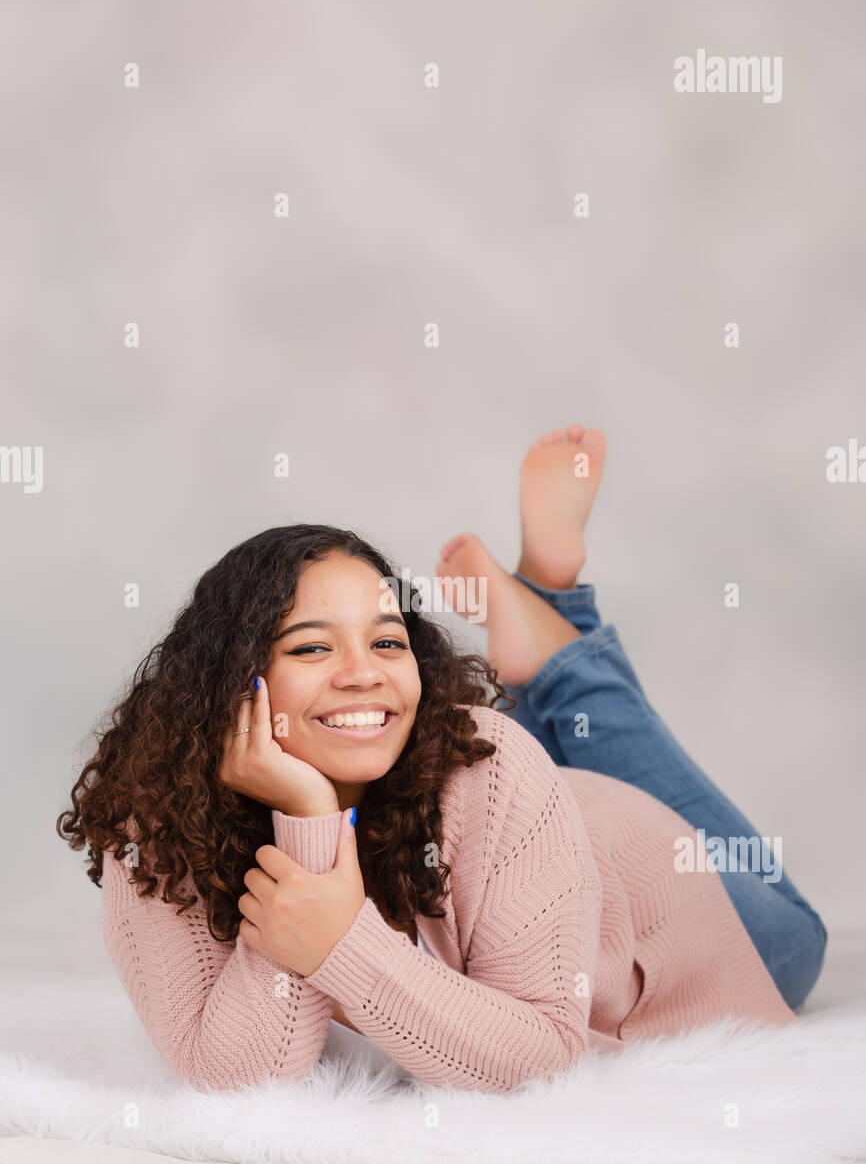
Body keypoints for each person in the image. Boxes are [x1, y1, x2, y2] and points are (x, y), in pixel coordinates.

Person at [58, 427, 827, 1094]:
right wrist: (308, 820)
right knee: (512, 767)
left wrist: (337, 941)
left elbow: (540, 1056)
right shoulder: (154, 829)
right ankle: (543, 618)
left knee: (799, 940)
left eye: (388, 642)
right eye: (313, 646)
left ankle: (560, 642)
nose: (365, 671)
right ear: (233, 684)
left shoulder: (488, 766)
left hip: (659, 883)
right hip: (540, 831)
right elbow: (236, 1079)